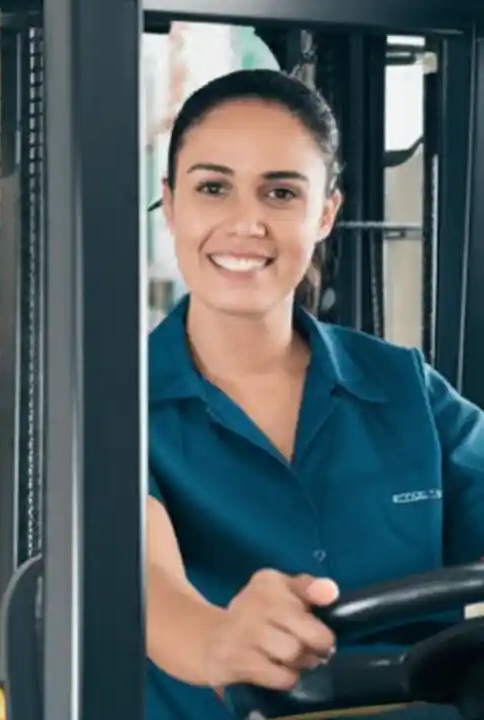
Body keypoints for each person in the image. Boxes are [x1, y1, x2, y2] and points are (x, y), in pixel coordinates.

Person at [146, 69, 484, 720]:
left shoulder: (403, 387)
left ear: (325, 213)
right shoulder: (118, 405)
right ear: (172, 203)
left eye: (280, 193)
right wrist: (219, 640)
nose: (246, 223)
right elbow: (147, 584)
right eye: (213, 188)